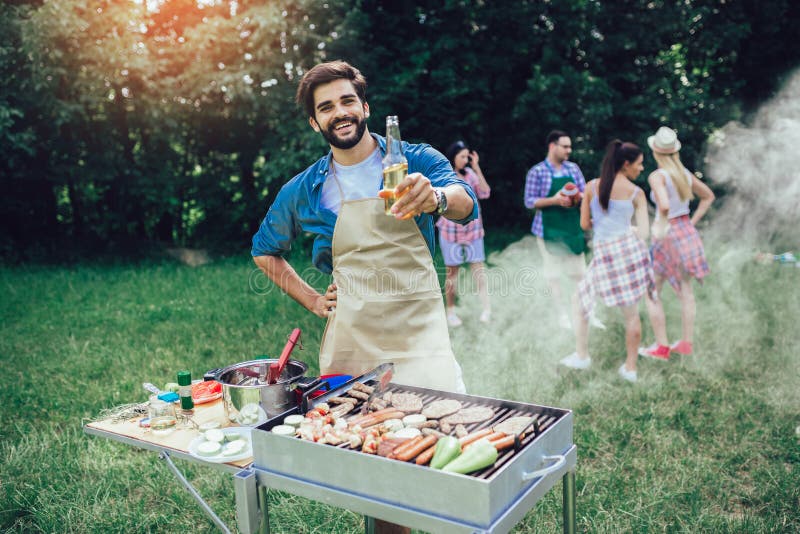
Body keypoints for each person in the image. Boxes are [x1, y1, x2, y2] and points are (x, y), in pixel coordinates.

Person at [251, 60, 478, 533]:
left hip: (419, 331)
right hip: (356, 339)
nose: (340, 112)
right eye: (326, 107)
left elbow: (463, 200)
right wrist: (313, 300)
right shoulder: (304, 190)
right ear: (316, 122)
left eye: (347, 101)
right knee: (376, 461)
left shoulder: (411, 162)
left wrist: (433, 197)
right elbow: (264, 251)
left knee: (441, 446)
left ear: (365, 106)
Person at [559, 140, 656, 382]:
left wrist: (601, 222)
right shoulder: (637, 193)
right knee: (631, 314)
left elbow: (584, 225)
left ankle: (582, 356)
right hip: (629, 253)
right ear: (626, 164)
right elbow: (644, 233)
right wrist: (630, 229)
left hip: (604, 255)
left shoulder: (592, 186)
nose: (641, 169)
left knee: (580, 302)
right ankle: (630, 368)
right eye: (639, 164)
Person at [639, 126, 715, 360]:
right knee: (685, 290)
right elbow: (708, 196)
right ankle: (686, 343)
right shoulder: (684, 173)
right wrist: (691, 221)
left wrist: (660, 227)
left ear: (655, 152)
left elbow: (663, 206)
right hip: (686, 232)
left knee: (652, 290)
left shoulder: (657, 176)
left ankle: (661, 348)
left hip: (668, 233)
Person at [524, 130, 605, 330]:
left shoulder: (573, 169)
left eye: (570, 146)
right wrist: (555, 200)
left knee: (580, 275)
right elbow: (529, 201)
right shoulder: (537, 171)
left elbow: (583, 195)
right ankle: (562, 316)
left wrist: (576, 197)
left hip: (571, 229)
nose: (569, 150)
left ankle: (589, 313)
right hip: (548, 231)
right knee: (554, 277)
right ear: (553, 146)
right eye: (565, 146)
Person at [436, 140, 491, 327]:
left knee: (479, 271)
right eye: (462, 156)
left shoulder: (471, 175)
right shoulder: (445, 176)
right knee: (452, 273)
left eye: (468, 156)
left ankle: (486, 309)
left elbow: (485, 192)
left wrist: (476, 167)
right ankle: (450, 312)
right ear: (453, 157)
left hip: (473, 231)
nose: (465, 160)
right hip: (450, 232)